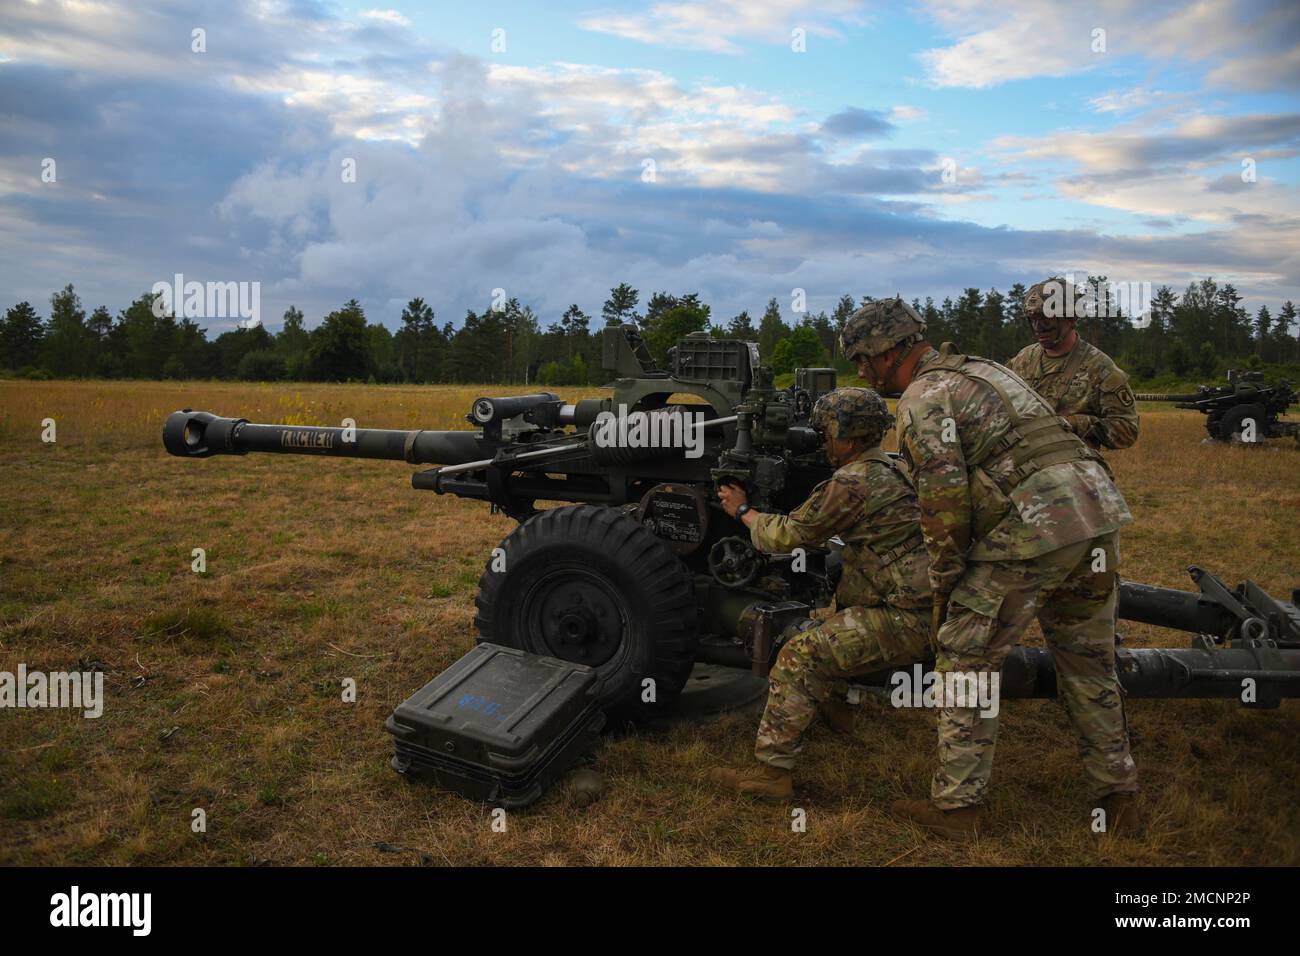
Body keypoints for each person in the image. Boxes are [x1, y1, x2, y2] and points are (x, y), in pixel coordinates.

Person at [840, 297, 1140, 839]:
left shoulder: (923, 396)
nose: (862, 372)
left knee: (965, 654)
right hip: (1094, 512)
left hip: (1036, 522)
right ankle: (1118, 798)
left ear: (892, 350)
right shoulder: (987, 370)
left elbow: (943, 498)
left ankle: (956, 810)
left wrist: (945, 581)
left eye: (865, 358)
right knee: (1090, 663)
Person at [706, 388, 932, 801]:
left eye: (826, 431)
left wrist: (742, 510)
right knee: (837, 620)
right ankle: (838, 709)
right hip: (917, 604)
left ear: (848, 436)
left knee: (799, 653)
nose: (821, 439)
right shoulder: (894, 466)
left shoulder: (852, 483)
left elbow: (790, 536)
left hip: (906, 617)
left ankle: (773, 773)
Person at [1006, 277, 1139, 452]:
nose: (1038, 327)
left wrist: (1075, 423)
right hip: (1025, 463)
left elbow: (1127, 431)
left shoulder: (1099, 368)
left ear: (1070, 319)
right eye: (1033, 319)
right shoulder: (1023, 360)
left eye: (1047, 319)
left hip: (1075, 469)